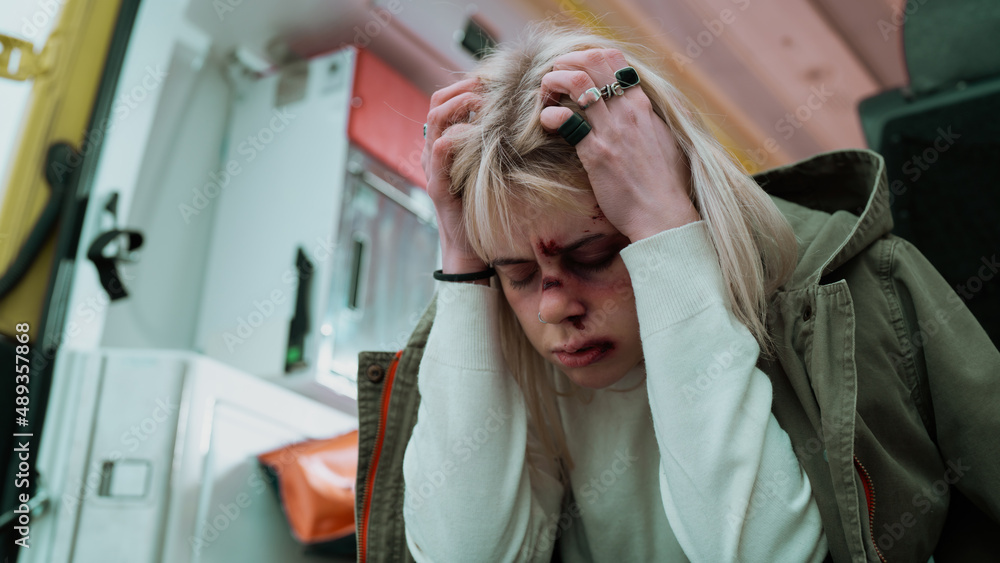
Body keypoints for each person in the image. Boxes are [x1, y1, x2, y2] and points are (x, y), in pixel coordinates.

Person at [353, 23, 1000, 563]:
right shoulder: (498, 354)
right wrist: (463, 261)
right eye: (518, 274)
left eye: (595, 254)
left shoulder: (867, 288)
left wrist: (664, 223)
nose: (553, 306)